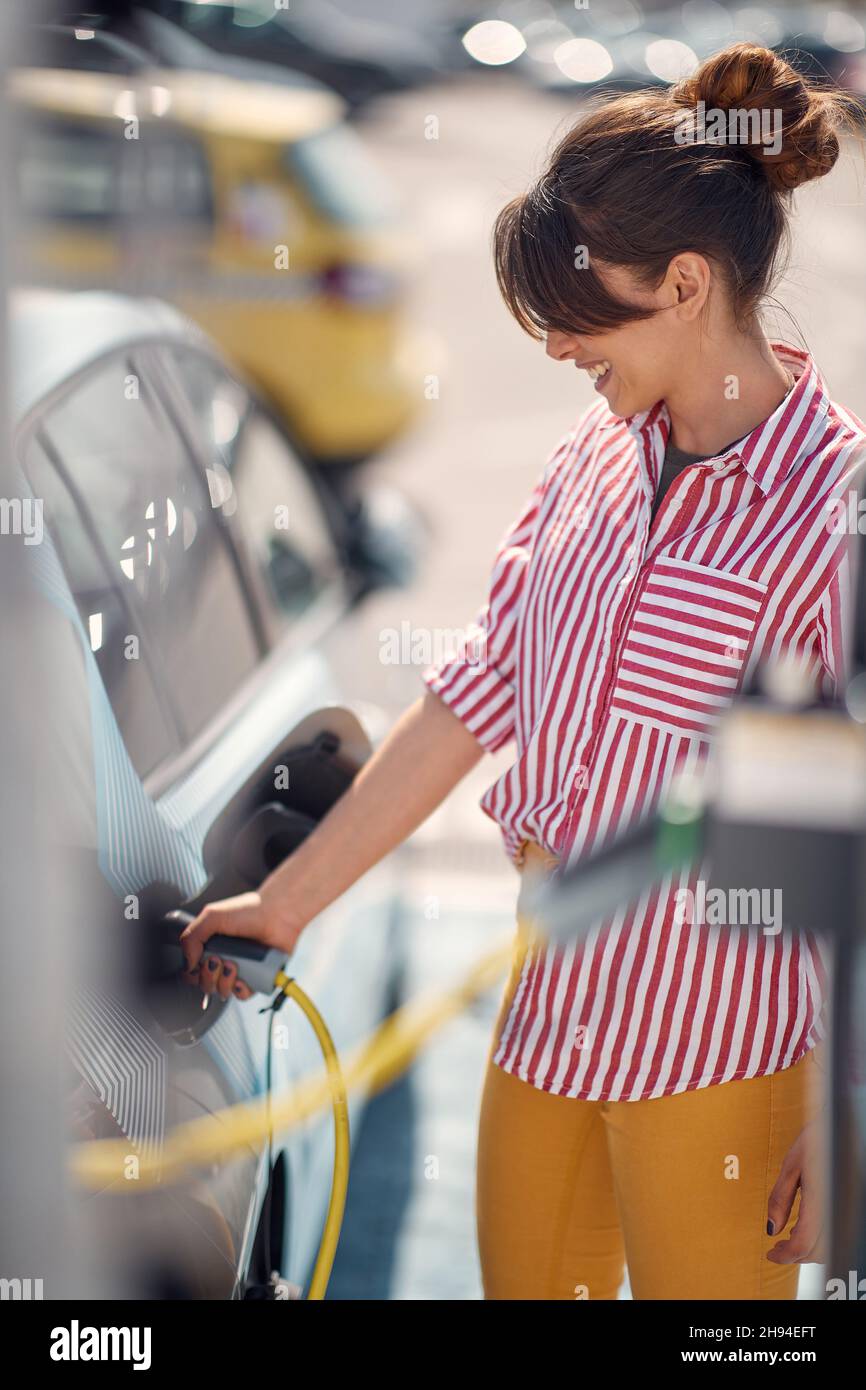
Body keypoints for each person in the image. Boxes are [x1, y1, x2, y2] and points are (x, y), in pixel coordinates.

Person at [180, 44, 863, 1299]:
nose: (552, 344)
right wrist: (290, 901)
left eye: (576, 304)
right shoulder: (589, 463)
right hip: (546, 1029)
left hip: (723, 1063)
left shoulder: (834, 519)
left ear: (684, 282)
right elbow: (472, 694)